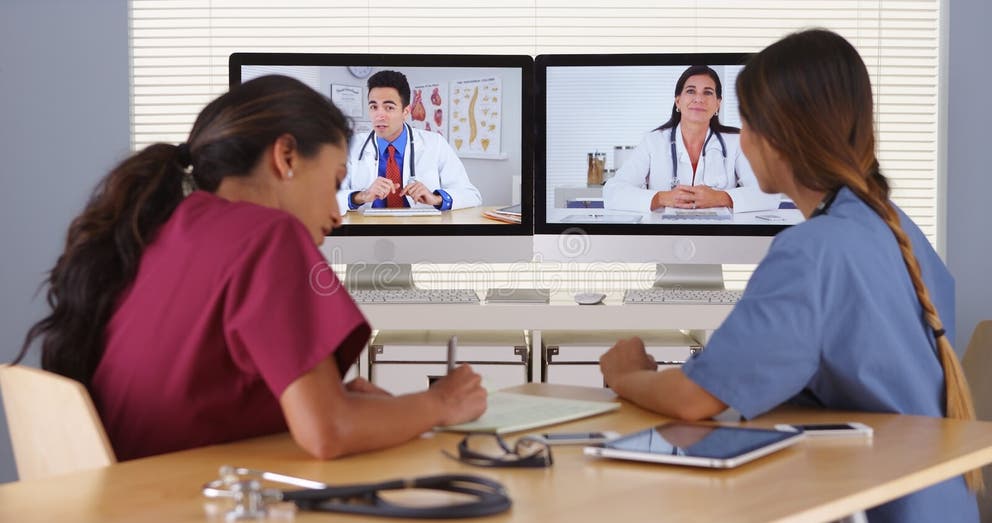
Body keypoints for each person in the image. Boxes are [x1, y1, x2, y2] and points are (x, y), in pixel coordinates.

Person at [598, 30, 981, 522]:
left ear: (773, 136)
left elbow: (693, 400)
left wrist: (628, 373)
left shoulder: (811, 252)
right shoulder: (896, 226)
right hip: (939, 502)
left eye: (747, 121)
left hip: (878, 506)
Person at [11, 75, 487, 461]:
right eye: (335, 181)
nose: (338, 214)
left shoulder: (163, 225)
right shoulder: (271, 236)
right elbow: (329, 432)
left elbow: (202, 390)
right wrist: (438, 403)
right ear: (285, 157)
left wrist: (340, 403)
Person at [603, 65, 780, 213]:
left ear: (718, 103)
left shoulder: (737, 142)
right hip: (663, 237)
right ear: (678, 101)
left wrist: (721, 197)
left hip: (722, 238)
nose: (699, 98)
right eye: (691, 91)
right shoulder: (653, 142)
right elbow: (612, 192)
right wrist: (661, 198)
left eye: (708, 92)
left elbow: (770, 194)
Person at [338, 70, 482, 211]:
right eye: (373, 107)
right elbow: (328, 197)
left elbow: (471, 195)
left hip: (418, 232)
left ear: (405, 112)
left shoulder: (435, 144)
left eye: (389, 107)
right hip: (365, 232)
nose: (379, 115)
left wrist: (436, 198)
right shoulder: (352, 145)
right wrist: (361, 196)